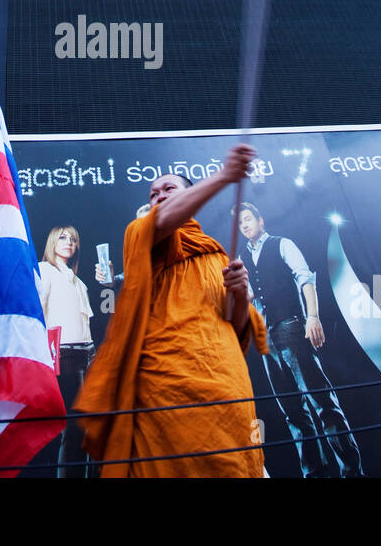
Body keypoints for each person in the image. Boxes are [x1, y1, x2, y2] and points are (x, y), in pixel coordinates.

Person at [75, 145, 268, 477]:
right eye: (153, 194)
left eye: (168, 189)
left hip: (226, 386)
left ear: (191, 198)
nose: (158, 196)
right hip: (165, 386)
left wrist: (238, 294)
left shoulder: (217, 256)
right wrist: (224, 176)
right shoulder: (142, 235)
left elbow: (235, 327)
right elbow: (163, 220)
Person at [236, 201, 363, 477]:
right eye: (240, 223)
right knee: (292, 410)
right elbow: (247, 299)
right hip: (266, 338)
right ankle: (314, 472)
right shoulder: (242, 257)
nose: (245, 225)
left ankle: (351, 471)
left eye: (248, 219)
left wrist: (313, 317)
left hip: (292, 326)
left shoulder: (282, 244)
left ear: (261, 220)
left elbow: (305, 279)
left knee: (321, 401)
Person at [37, 225, 95, 478]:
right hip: (62, 355)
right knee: (72, 426)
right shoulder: (44, 271)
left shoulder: (79, 282)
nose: (69, 242)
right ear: (52, 241)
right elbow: (36, 314)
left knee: (88, 425)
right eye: (63, 237)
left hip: (86, 354)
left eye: (73, 238)